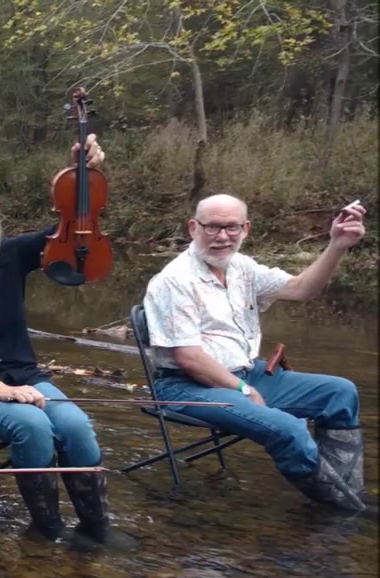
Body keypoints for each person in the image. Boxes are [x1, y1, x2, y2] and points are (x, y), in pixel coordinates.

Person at [0, 144, 137, 551]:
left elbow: (72, 227)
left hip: (25, 378)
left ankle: (94, 527)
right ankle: (46, 529)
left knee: (76, 426)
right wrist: (4, 392)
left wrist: (81, 173)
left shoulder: (11, 255)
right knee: (30, 425)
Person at [143, 195, 367, 511]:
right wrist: (242, 389)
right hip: (186, 386)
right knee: (288, 430)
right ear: (193, 228)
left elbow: (302, 289)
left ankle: (346, 490)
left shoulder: (243, 268)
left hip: (246, 375)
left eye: (231, 227)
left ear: (245, 229)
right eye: (212, 227)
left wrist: (337, 245)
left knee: (341, 392)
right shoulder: (174, 279)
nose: (222, 237)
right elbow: (188, 357)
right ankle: (342, 511)